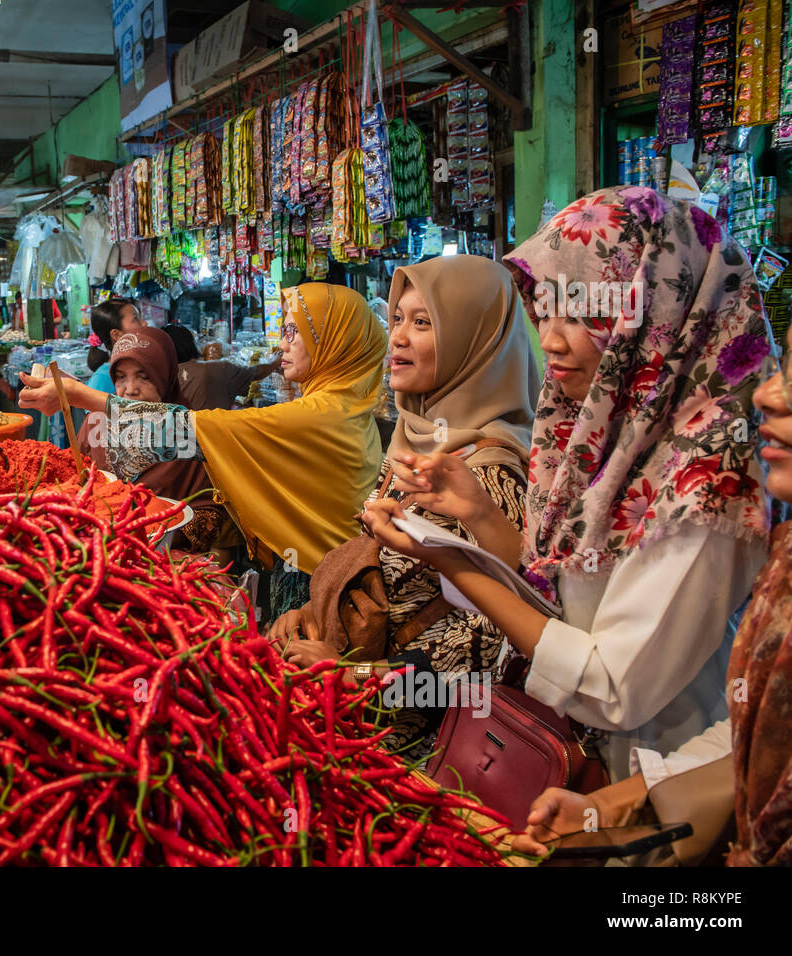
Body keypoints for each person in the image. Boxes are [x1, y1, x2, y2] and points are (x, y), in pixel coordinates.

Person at [361, 187, 771, 780]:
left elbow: (610, 685)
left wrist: (452, 562)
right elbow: (554, 590)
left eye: (580, 315)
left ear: (653, 310)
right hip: (568, 761)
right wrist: (478, 515)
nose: (550, 339)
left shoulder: (708, 471)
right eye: (545, 311)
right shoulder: (597, 431)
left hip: (655, 776)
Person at [514, 332, 792, 866]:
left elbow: (615, 685)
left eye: (593, 313)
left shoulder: (709, 470)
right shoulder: (584, 447)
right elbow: (753, 733)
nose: (768, 395)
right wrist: (614, 806)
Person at [265, 256, 538, 749]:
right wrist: (316, 609)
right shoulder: (417, 443)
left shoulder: (490, 471)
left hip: (416, 746)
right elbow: (381, 568)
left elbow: (489, 639)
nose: (397, 337)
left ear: (473, 342)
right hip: (358, 715)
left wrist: (358, 677)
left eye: (423, 322)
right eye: (396, 319)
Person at [20, 282, 387, 617]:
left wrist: (81, 395)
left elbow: (186, 430)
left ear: (336, 341)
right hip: (317, 570)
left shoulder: (317, 415)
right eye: (284, 329)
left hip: (321, 580)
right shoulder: (345, 406)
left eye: (295, 330)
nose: (282, 343)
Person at [86, 327, 237, 553]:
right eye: (120, 377)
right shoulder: (95, 424)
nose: (130, 390)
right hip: (98, 555)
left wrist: (151, 533)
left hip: (164, 564)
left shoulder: (190, 431)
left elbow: (215, 521)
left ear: (165, 376)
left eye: (144, 377)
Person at [163, 323, 281, 411]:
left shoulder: (159, 377)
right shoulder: (218, 368)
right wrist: (274, 363)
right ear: (190, 344)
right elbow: (255, 372)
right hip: (213, 436)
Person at [85, 299, 149, 395]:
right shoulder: (101, 380)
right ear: (116, 335)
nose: (144, 323)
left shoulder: (143, 364)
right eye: (135, 318)